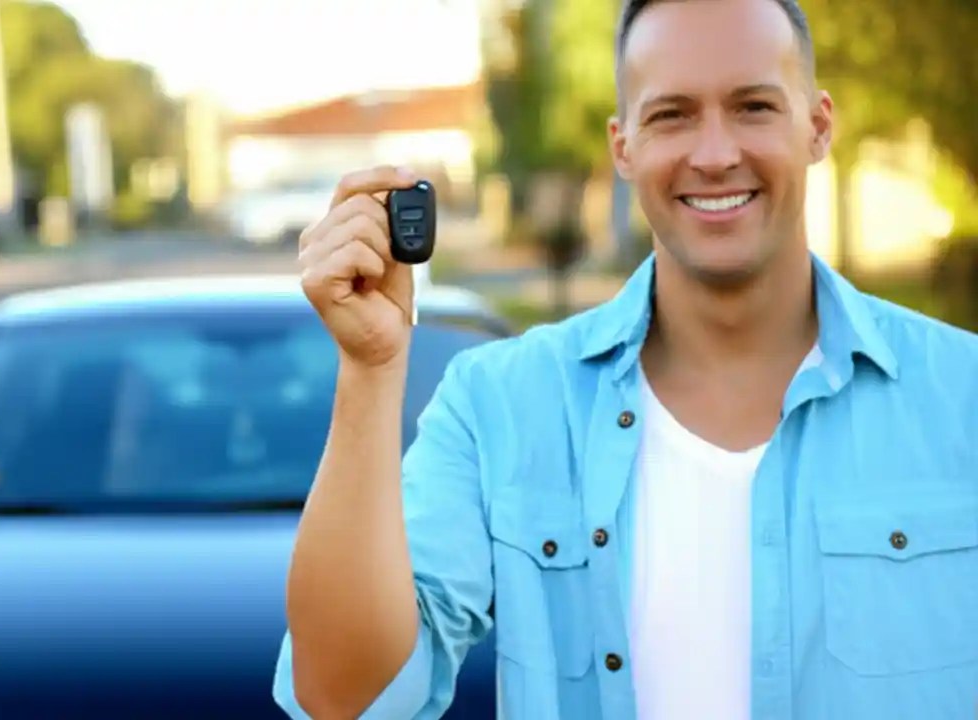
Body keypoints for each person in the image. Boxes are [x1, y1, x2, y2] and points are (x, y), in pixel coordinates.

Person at [273, 0, 978, 717]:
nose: (713, 153)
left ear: (817, 126)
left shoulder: (964, 398)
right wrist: (369, 370)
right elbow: (343, 698)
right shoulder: (502, 406)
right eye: (671, 114)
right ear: (623, 147)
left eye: (754, 107)